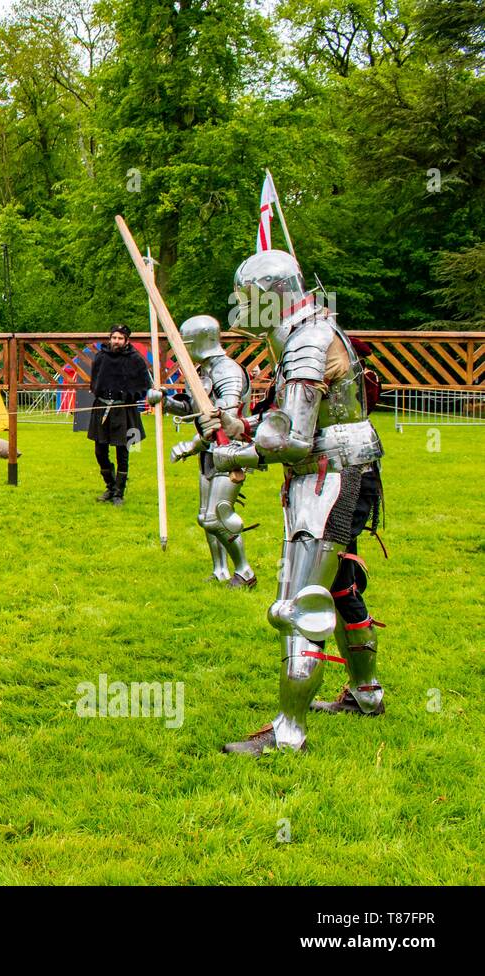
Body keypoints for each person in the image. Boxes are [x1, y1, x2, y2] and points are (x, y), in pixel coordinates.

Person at [211, 249, 385, 756]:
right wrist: (248, 428)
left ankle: (288, 732)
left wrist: (234, 454)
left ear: (271, 296)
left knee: (298, 603)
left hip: (327, 476)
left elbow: (294, 440)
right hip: (343, 468)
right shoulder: (310, 328)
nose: (238, 307)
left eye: (247, 297)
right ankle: (366, 693)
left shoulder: (306, 341)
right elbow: (288, 423)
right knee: (339, 586)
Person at [147, 315, 258, 589]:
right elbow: (192, 407)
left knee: (217, 516)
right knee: (204, 517)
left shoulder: (227, 371)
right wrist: (165, 400)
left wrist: (189, 445)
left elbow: (223, 419)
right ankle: (220, 570)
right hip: (209, 453)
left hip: (230, 452)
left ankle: (245, 572)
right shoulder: (203, 372)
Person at [87, 324, 152, 505]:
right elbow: (94, 381)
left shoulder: (135, 359)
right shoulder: (101, 357)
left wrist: (128, 395)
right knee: (100, 451)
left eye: (120, 338)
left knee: (122, 451)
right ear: (110, 338)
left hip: (123, 409)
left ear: (126, 340)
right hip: (102, 409)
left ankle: (119, 493)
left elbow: (143, 385)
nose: (116, 341)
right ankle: (110, 485)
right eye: (114, 337)